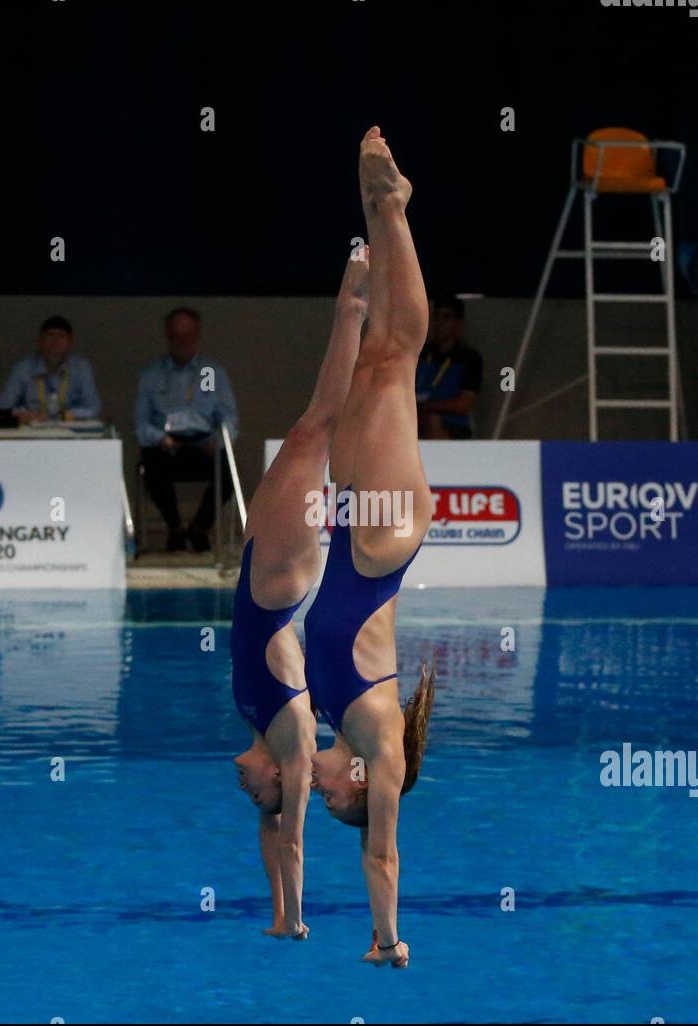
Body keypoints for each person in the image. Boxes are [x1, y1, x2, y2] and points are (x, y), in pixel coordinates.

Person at [304, 128, 436, 969]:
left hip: (359, 528)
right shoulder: (380, 751)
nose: (311, 791)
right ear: (357, 787)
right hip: (384, 540)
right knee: (394, 363)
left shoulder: (326, 713)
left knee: (365, 372)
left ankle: (370, 248)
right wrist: (387, 939)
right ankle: (394, 211)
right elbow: (381, 855)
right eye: (326, 801)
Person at [231, 249, 369, 941]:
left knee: (314, 428)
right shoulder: (293, 735)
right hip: (281, 578)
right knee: (319, 424)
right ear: (281, 780)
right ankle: (356, 297)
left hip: (264, 570)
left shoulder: (260, 722)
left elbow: (268, 833)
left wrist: (281, 919)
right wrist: (303, 912)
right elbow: (289, 838)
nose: (243, 788)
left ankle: (358, 303)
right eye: (257, 794)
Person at [134, 308, 240, 552]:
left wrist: (220, 441)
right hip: (166, 445)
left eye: (188, 336)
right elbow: (141, 425)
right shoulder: (152, 375)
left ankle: (199, 526)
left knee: (229, 471)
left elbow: (229, 418)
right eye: (176, 336)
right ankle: (175, 527)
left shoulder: (211, 373)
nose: (182, 342)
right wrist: (160, 439)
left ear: (197, 336)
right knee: (151, 465)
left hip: (203, 443)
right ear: (168, 336)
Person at [0, 316, 102, 422]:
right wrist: (21, 415)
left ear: (70, 342)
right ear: (40, 340)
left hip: (70, 433)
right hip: (32, 432)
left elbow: (93, 409)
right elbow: (2, 408)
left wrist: (65, 416)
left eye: (61, 336)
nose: (55, 340)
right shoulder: (23, 369)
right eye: (50, 335)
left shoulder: (81, 368)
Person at [415, 296, 482, 439]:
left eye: (446, 317)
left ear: (459, 324)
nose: (439, 323)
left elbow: (465, 403)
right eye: (436, 317)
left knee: (433, 420)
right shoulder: (420, 353)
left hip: (452, 426)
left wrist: (428, 406)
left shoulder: (469, 358)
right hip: (415, 419)